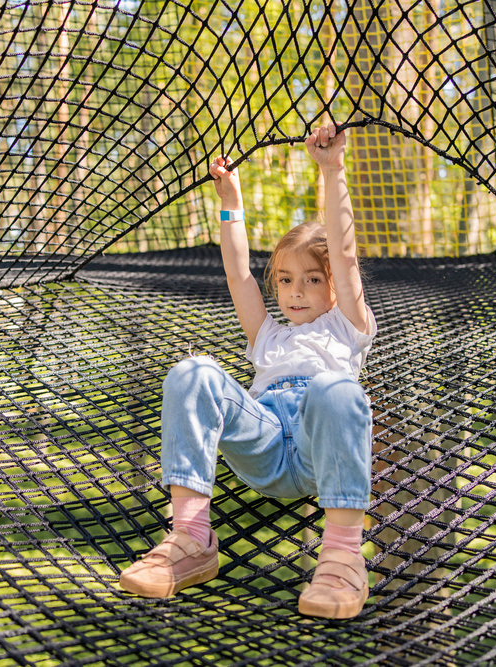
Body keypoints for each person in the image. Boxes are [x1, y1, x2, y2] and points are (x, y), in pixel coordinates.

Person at [118, 122, 376, 619]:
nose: (295, 291)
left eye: (311, 279)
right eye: (284, 280)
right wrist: (231, 201)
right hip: (262, 444)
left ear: (336, 288)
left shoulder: (348, 326)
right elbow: (238, 274)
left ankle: (343, 554)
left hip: (316, 450)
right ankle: (192, 537)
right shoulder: (268, 337)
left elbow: (344, 254)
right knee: (193, 372)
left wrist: (332, 169)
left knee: (335, 388)